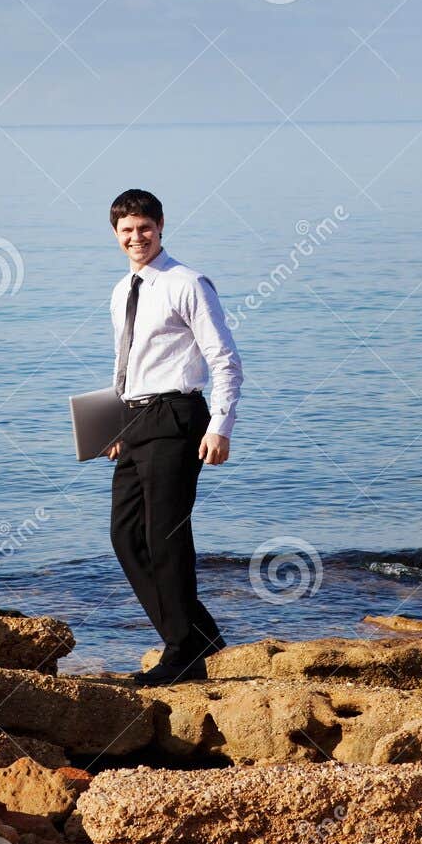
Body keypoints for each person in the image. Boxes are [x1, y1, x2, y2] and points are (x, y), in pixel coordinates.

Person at [105, 188, 243, 685]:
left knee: (166, 538)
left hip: (177, 416)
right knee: (125, 536)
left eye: (144, 228)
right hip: (134, 421)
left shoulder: (188, 283)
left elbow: (225, 359)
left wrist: (220, 427)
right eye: (127, 231)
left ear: (161, 226)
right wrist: (113, 425)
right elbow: (126, 365)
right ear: (115, 235)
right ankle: (197, 635)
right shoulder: (122, 291)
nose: (136, 237)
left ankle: (183, 652)